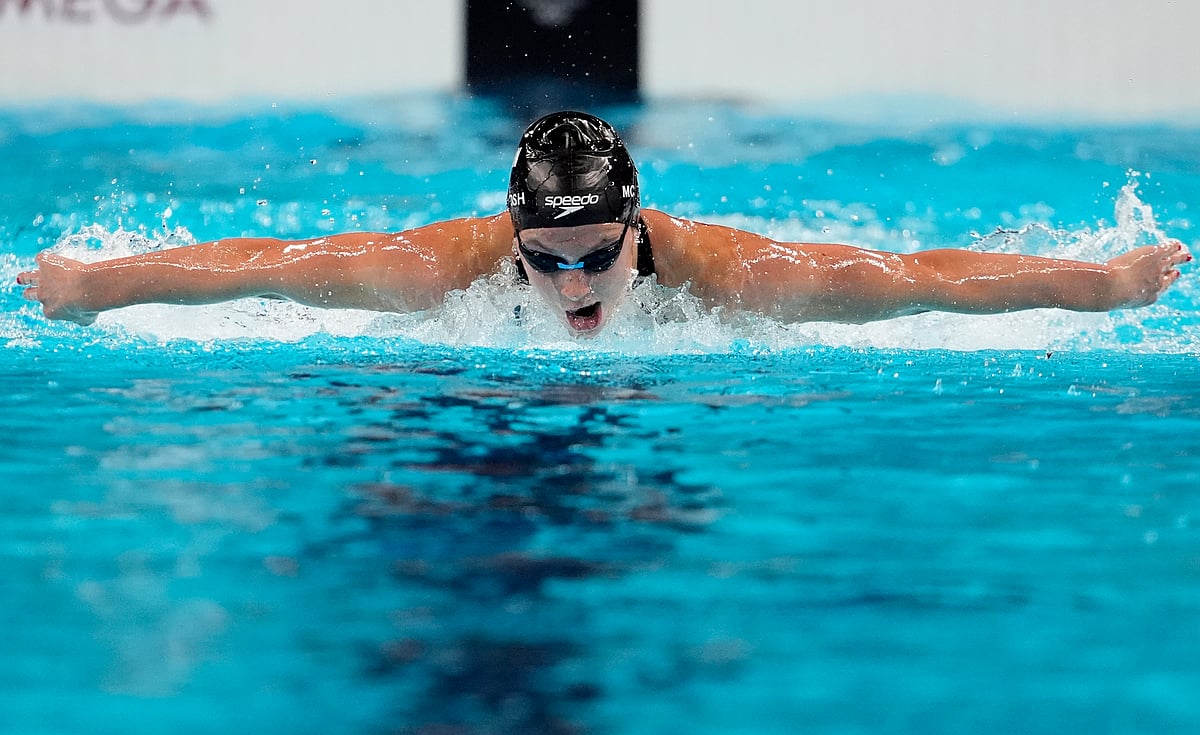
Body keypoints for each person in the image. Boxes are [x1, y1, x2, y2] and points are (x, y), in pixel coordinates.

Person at [17, 111, 1191, 336]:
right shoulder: (431, 271)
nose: (574, 287)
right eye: (546, 261)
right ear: (509, 234)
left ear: (638, 228)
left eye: (598, 256)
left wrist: (1107, 283)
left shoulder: (739, 276)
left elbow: (918, 275)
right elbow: (257, 267)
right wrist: (95, 283)